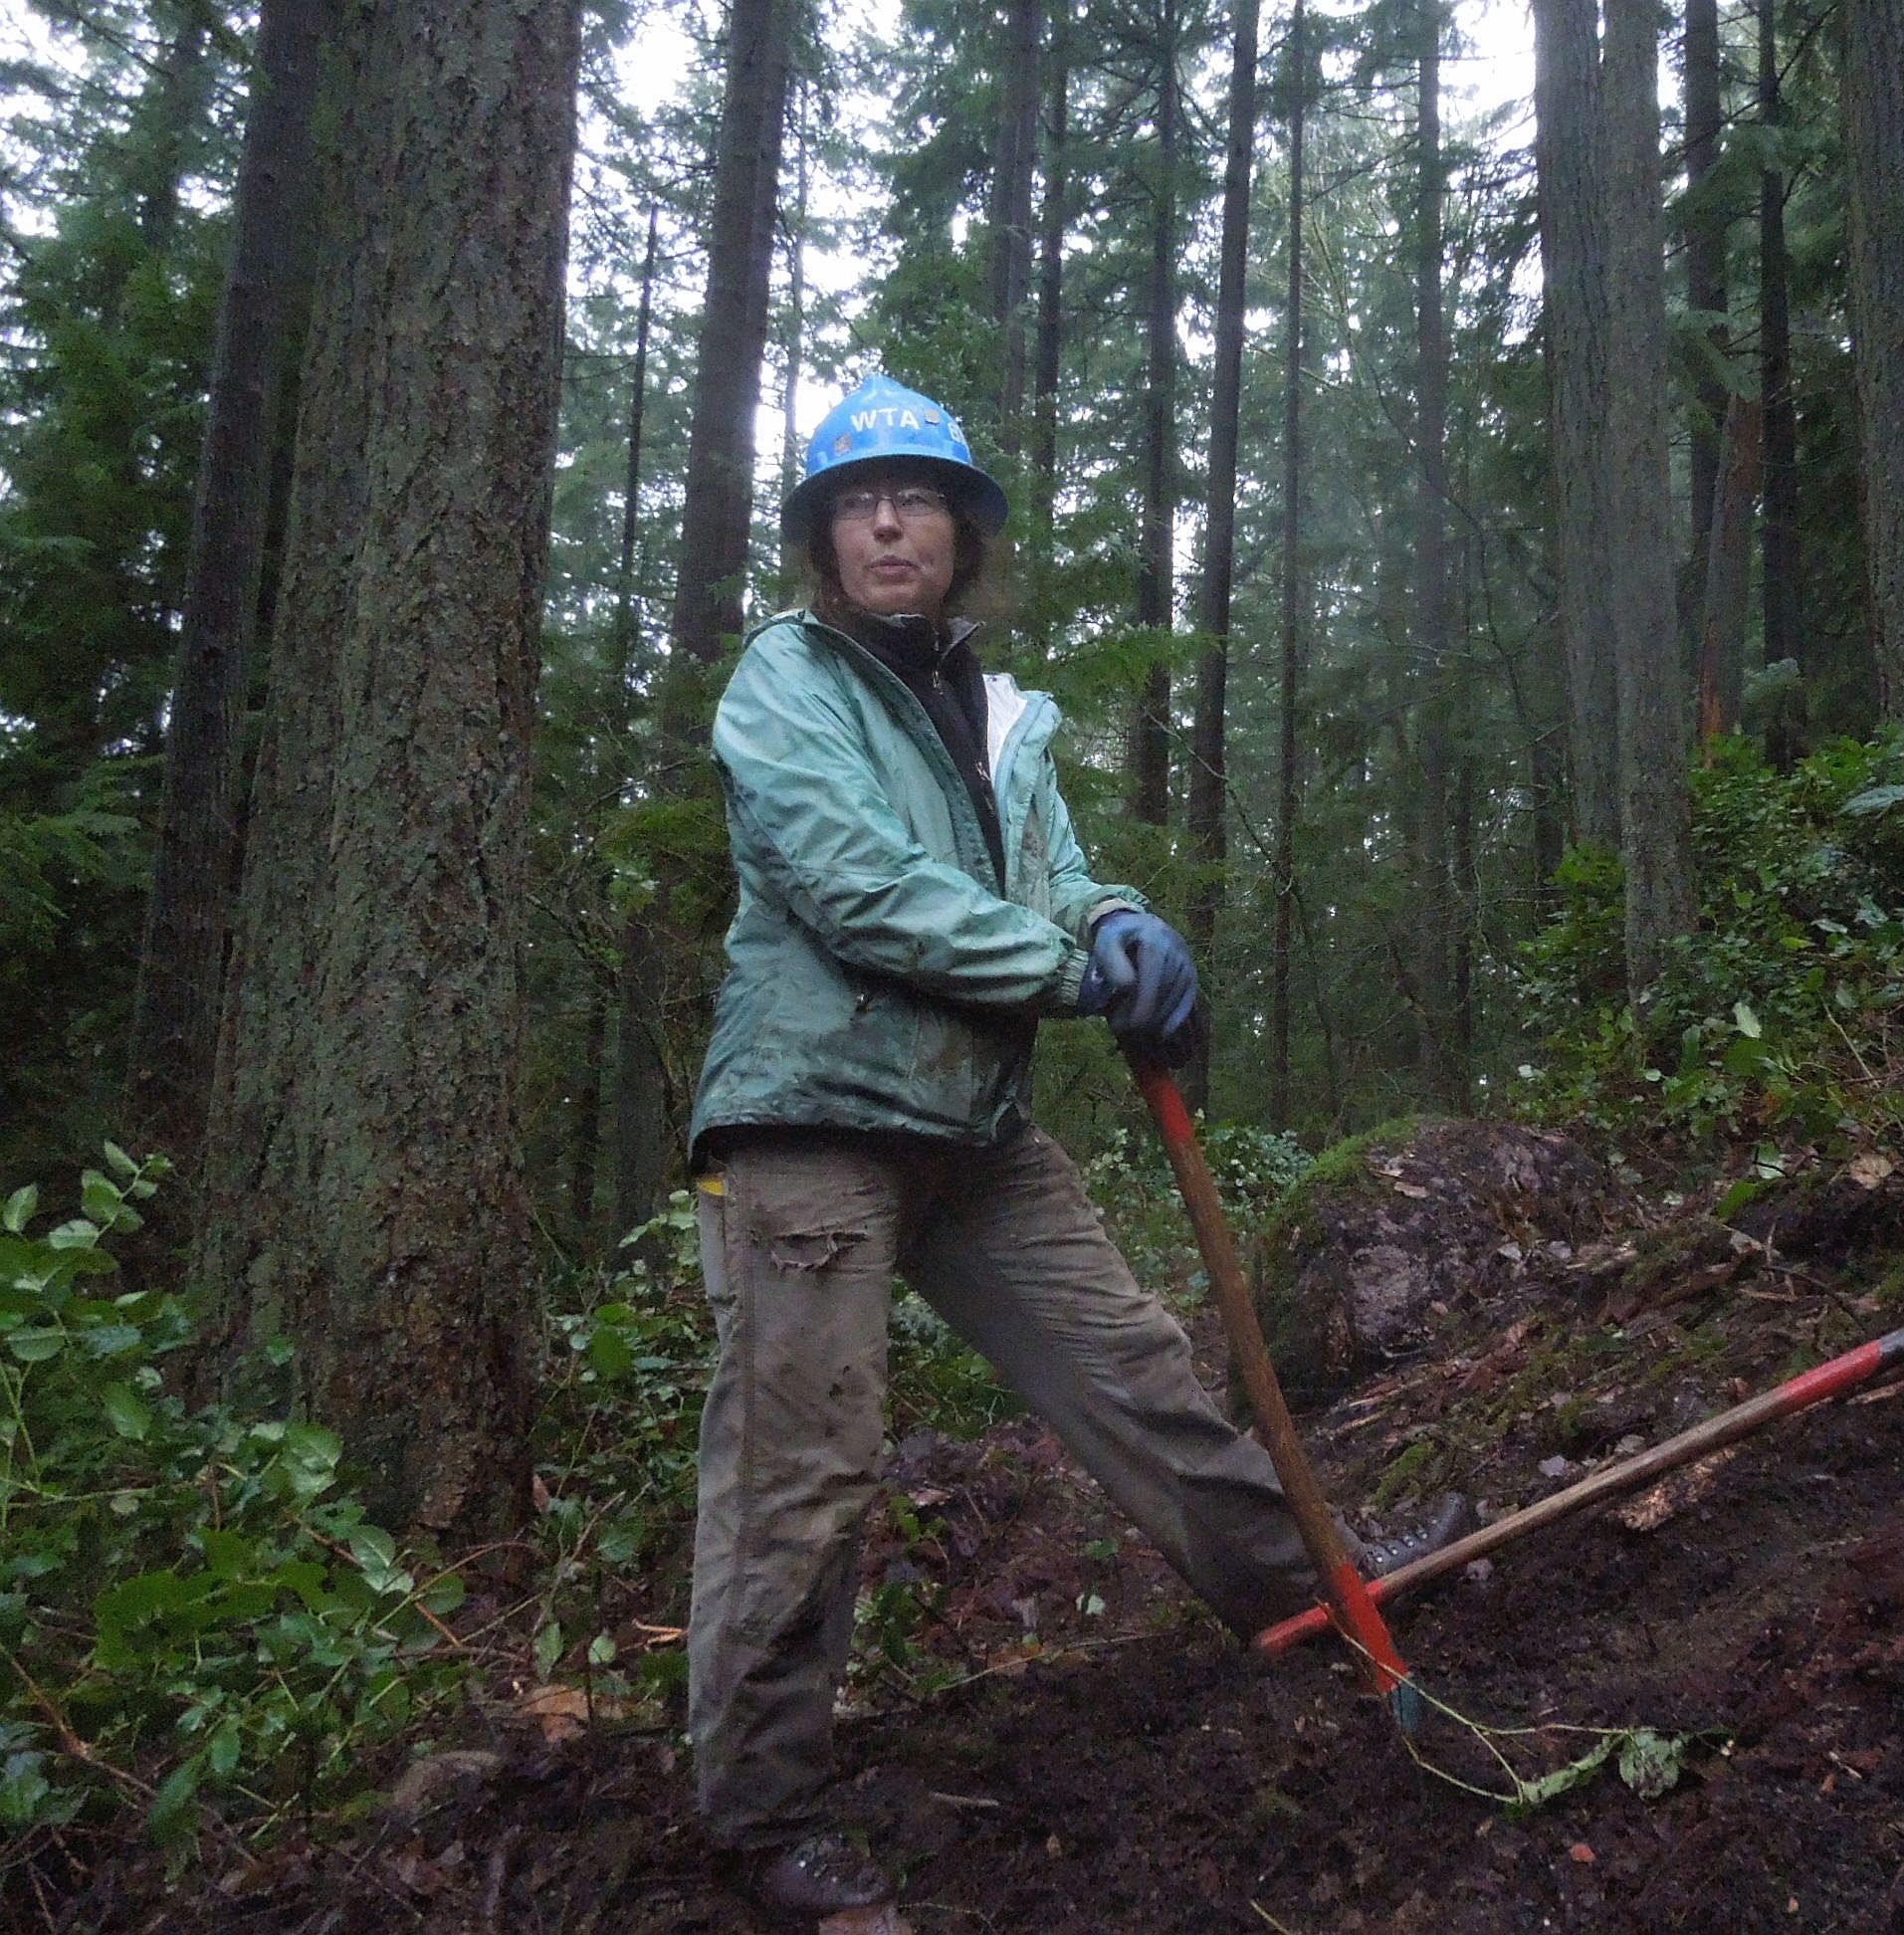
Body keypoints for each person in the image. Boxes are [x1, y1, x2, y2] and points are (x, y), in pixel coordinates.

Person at [683, 373, 1465, 1929]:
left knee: (1133, 1362)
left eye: (915, 498)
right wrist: (1063, 971)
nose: (887, 521)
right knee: (804, 1469)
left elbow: (1052, 874)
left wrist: (1113, 920)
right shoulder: (786, 680)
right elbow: (854, 886)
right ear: (823, 538)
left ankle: (1304, 1586)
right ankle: (761, 1817)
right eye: (855, 500)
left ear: (965, 533)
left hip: (972, 1123)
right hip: (810, 1123)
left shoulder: (999, 709)